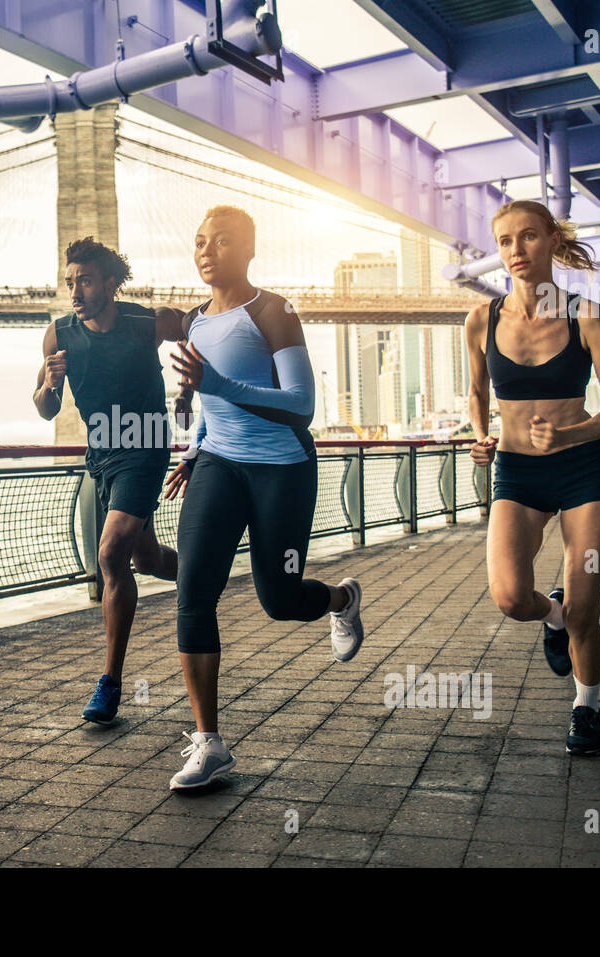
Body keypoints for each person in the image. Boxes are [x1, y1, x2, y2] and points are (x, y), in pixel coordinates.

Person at [162, 205, 365, 791]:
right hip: (220, 467)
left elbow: (301, 404)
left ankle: (339, 598)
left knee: (278, 599)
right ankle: (210, 744)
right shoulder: (194, 322)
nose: (207, 251)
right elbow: (211, 405)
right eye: (200, 241)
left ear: (248, 250)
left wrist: (216, 386)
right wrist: (195, 448)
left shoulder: (273, 311)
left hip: (282, 469)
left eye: (221, 242)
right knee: (194, 590)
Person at [464, 199, 600, 757]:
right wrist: (478, 435)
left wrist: (569, 435)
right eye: (506, 241)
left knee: (588, 610)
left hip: (582, 469)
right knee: (512, 597)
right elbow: (476, 392)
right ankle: (551, 616)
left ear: (551, 242)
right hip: (516, 472)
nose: (517, 251)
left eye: (529, 237)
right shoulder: (481, 320)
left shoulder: (587, 315)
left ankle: (586, 707)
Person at [34, 237, 188, 725]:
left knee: (108, 554)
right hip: (100, 456)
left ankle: (110, 682)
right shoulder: (58, 334)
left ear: (110, 284)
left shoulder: (146, 321)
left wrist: (189, 385)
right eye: (69, 281)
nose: (74, 290)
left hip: (145, 448)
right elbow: (45, 410)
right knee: (146, 557)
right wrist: (50, 385)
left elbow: (200, 328)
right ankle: (203, 573)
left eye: (84, 280)